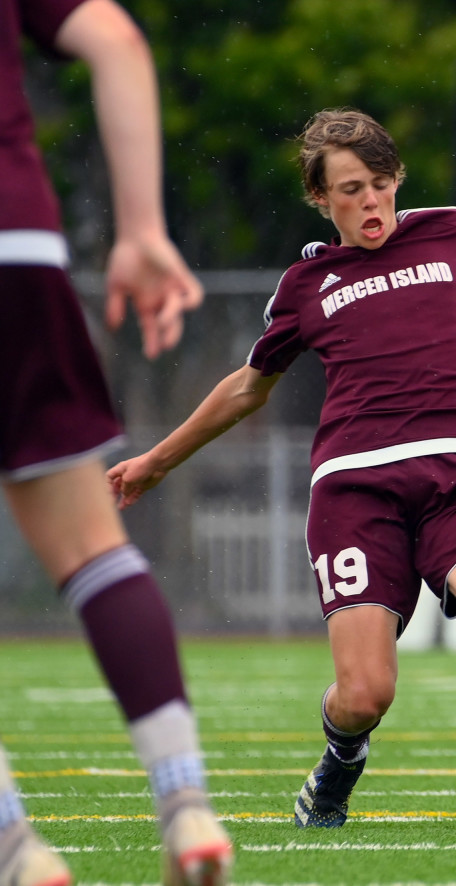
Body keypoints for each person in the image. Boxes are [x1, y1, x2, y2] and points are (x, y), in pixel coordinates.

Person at [107, 108, 456, 827]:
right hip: (357, 484)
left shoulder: (451, 231)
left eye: (378, 184)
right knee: (364, 695)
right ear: (321, 199)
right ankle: (338, 765)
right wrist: (157, 460)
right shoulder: (308, 283)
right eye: (350, 190)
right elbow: (249, 386)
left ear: (397, 179)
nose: (369, 202)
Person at [0, 0, 234, 884]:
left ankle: (16, 849)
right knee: (95, 550)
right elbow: (118, 39)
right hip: (17, 243)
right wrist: (141, 228)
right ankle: (186, 806)